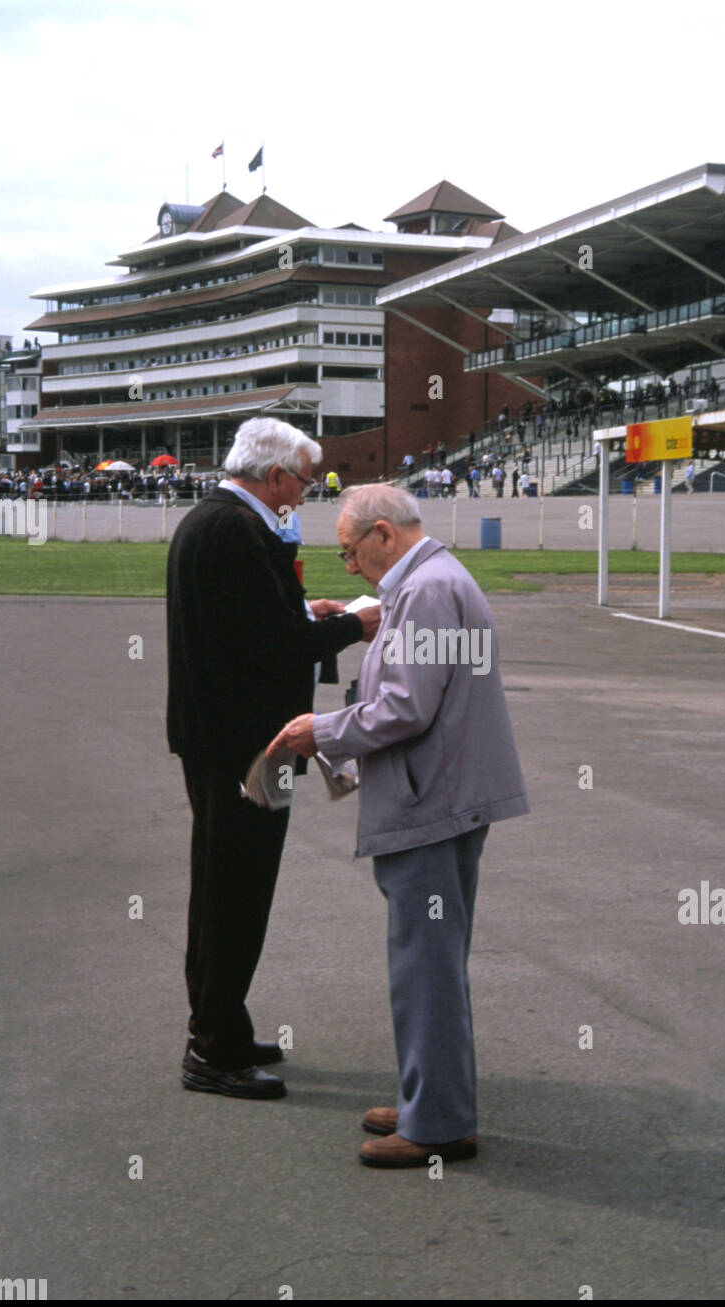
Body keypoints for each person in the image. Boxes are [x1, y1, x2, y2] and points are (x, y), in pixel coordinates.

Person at [267, 485, 529, 1167]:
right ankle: (431, 1101)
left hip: (432, 801)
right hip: (441, 793)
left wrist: (322, 730)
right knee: (430, 963)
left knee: (426, 967)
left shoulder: (427, 590)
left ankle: (438, 1122)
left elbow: (405, 708)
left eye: (351, 552)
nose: (350, 567)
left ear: (383, 534)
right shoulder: (433, 580)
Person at [166, 417, 379, 1099]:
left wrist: (303, 614)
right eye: (306, 481)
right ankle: (213, 1048)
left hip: (228, 737)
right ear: (277, 474)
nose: (307, 493)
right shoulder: (236, 529)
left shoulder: (220, 518)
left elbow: (255, 627)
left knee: (224, 884)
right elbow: (269, 649)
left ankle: (219, 1020)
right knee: (237, 889)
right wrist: (352, 625)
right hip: (246, 745)